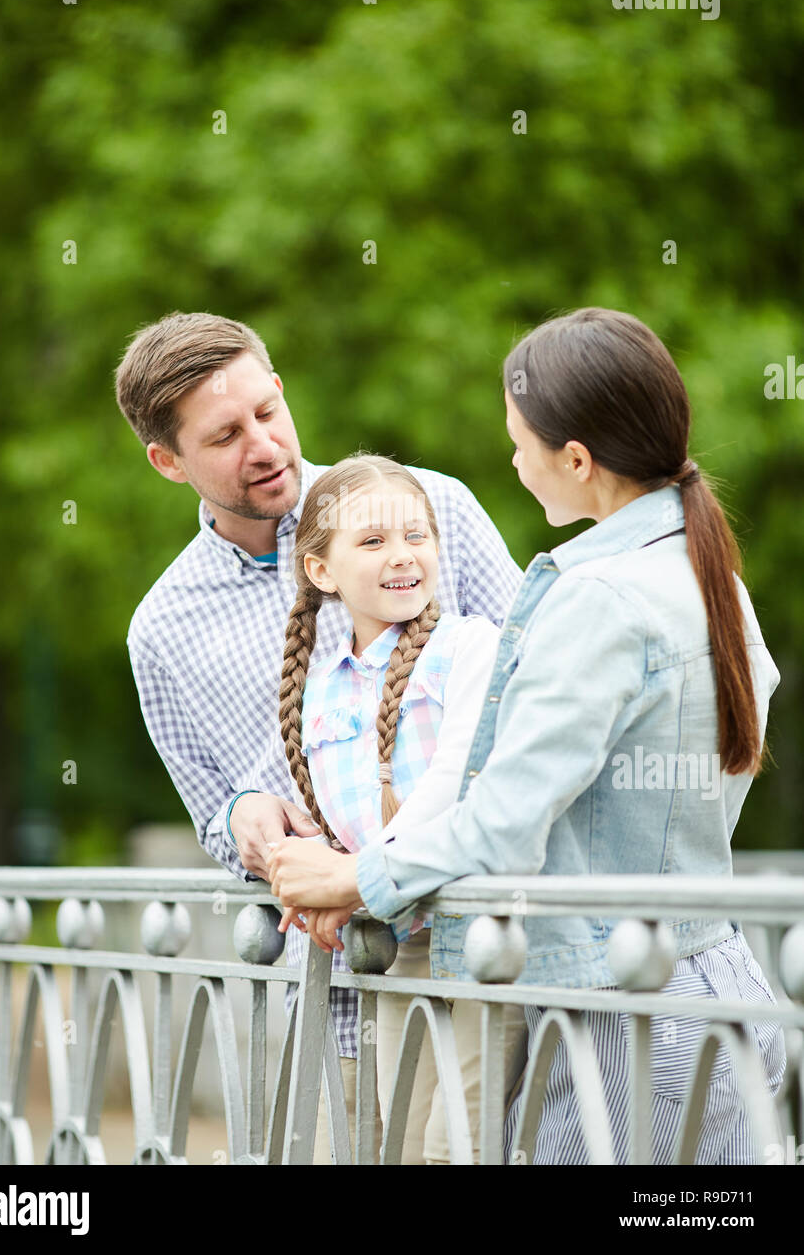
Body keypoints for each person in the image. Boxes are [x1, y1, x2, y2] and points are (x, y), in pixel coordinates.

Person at [267, 306, 786, 1165]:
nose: (511, 460)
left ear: (575, 460)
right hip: (721, 988)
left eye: (519, 441)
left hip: (621, 1028)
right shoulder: (712, 574)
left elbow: (503, 821)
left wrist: (356, 876)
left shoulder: (597, 598)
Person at [114, 310, 522, 1161]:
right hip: (342, 989)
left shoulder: (428, 508)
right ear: (166, 461)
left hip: (491, 946)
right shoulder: (161, 630)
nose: (263, 445)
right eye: (224, 435)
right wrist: (242, 822)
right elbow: (210, 810)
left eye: (267, 411)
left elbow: (541, 695)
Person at [275, 453, 527, 1164]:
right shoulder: (319, 691)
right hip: (393, 951)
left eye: (417, 536)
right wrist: (333, 890)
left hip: (480, 946)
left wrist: (352, 878)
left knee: (458, 1147)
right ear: (322, 571)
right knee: (400, 1148)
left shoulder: (471, 647)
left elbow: (455, 782)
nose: (403, 556)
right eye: (373, 541)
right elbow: (327, 820)